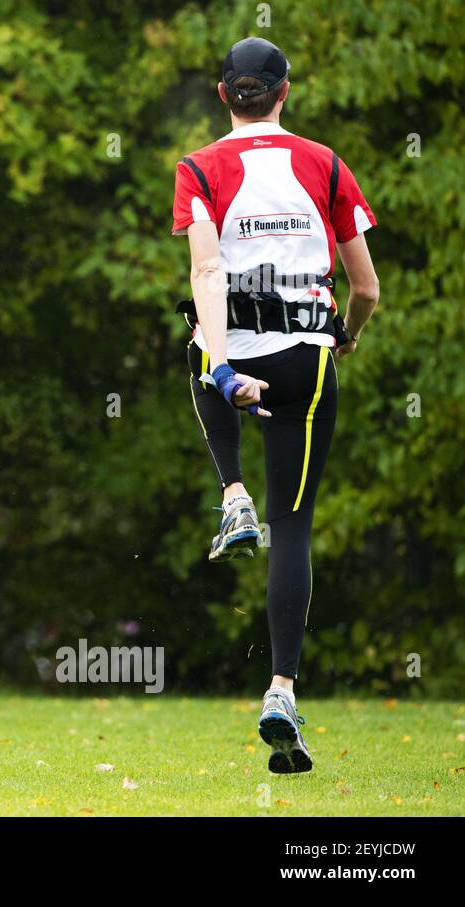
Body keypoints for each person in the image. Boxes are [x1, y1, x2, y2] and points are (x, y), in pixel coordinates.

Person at [172, 38, 379, 773]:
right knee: (294, 527)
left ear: (224, 93)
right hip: (308, 364)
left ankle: (232, 492)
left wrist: (226, 370)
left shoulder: (198, 168)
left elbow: (205, 268)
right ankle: (282, 689)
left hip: (239, 357)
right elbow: (366, 289)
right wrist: (344, 340)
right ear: (284, 90)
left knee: (192, 341)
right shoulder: (324, 163)